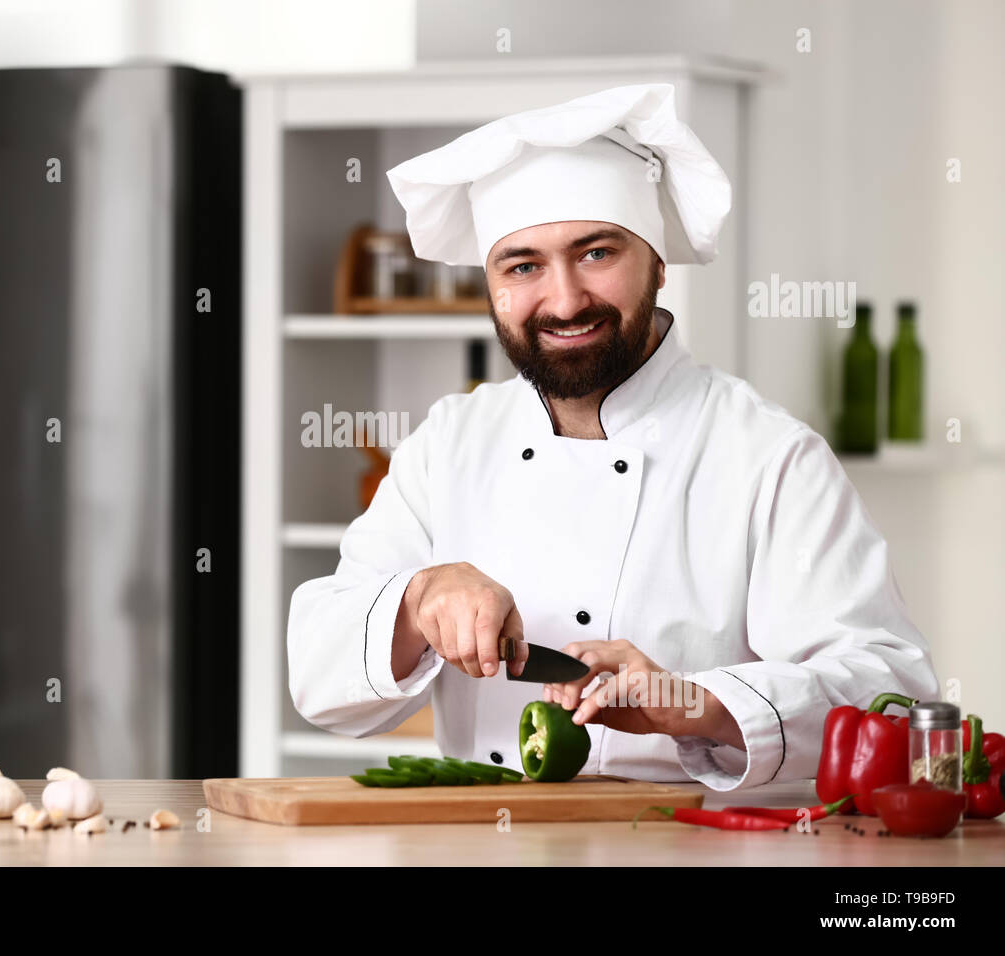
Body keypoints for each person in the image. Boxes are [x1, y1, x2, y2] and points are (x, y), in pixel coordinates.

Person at [286, 84, 938, 789]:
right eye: (523, 265)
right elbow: (318, 679)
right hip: (482, 847)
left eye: (596, 252)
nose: (564, 300)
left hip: (688, 847)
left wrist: (699, 704)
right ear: (492, 286)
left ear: (657, 262)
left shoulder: (768, 456)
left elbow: (892, 693)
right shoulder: (450, 443)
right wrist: (417, 600)